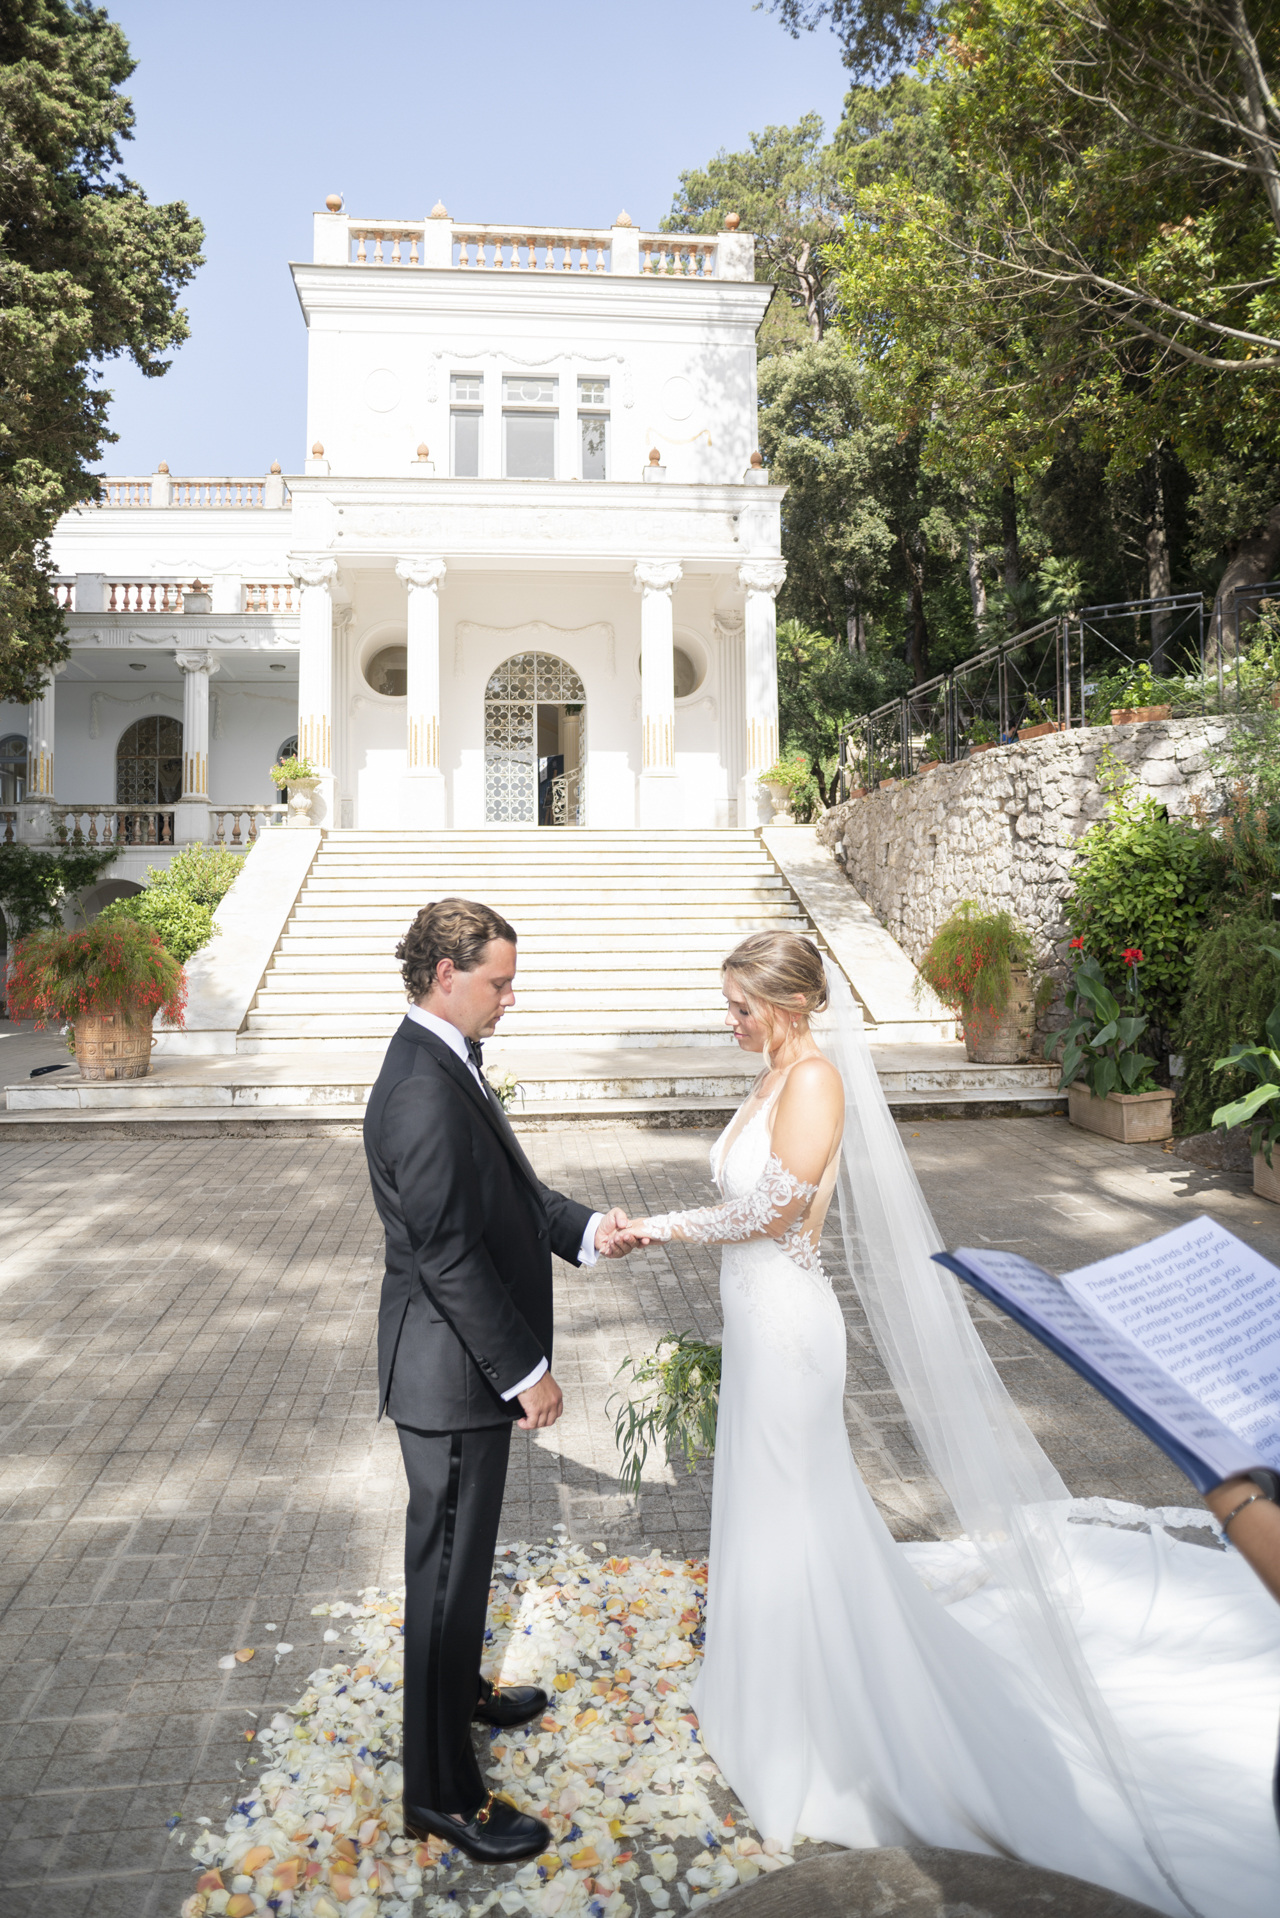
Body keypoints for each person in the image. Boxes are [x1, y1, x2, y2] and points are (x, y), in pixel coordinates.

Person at [606, 930, 1280, 1918]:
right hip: (753, 1318)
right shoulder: (771, 1073)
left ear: (789, 1003)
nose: (730, 1019)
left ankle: (817, 1716)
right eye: (728, 1002)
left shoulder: (814, 1082)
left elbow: (774, 1207)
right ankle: (771, 1683)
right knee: (763, 1505)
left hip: (788, 1323)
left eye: (742, 1005)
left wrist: (653, 1226)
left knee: (797, 1508)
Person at [363, 897, 629, 1865]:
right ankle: (440, 1794)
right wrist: (526, 1373)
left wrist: (591, 1230)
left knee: (464, 1564)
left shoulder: (444, 1061)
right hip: (453, 1373)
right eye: (498, 981)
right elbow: (443, 1252)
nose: (509, 999)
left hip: (460, 1367)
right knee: (441, 1580)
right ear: (446, 975)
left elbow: (510, 1193)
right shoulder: (421, 1089)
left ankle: (462, 1696)